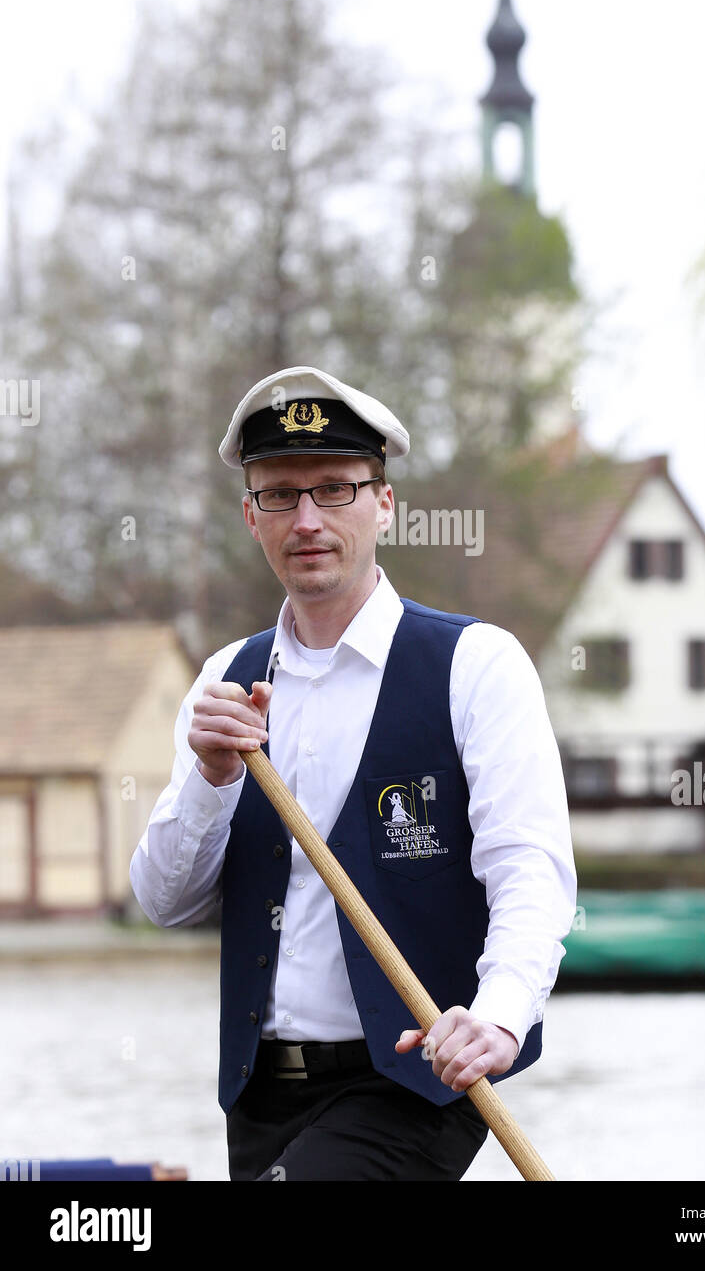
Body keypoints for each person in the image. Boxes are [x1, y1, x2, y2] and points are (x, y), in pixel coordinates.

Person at [130, 365, 577, 1181]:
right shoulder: (225, 679)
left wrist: (500, 1016)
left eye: (334, 490)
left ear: (384, 503)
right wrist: (212, 776)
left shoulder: (476, 666)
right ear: (251, 515)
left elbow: (530, 869)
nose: (307, 520)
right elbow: (163, 902)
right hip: (259, 1094)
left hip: (412, 1085)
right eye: (280, 494)